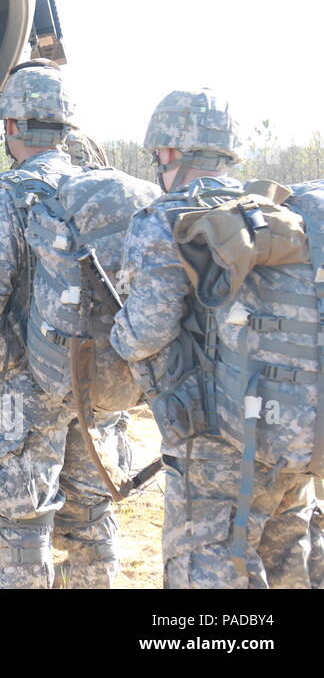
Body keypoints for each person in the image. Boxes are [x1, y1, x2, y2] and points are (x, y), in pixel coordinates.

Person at [110, 89, 319, 588]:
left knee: (207, 564)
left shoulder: (167, 218)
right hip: (297, 426)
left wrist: (118, 334)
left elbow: (144, 333)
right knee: (294, 553)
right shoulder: (276, 211)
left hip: (217, 439)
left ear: (167, 153)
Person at [0, 63, 126, 588]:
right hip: (98, 382)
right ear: (67, 128)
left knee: (23, 524)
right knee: (92, 515)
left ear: (11, 127)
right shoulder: (99, 191)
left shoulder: (6, 194)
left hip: (24, 386)